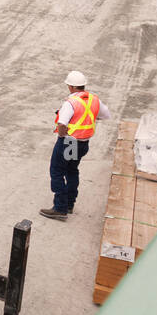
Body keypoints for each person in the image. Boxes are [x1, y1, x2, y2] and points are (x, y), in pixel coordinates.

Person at [42, 70, 111, 221]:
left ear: (72, 87)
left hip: (69, 142)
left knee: (57, 171)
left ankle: (60, 208)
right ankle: (69, 204)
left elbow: (62, 123)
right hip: (83, 143)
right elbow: (106, 115)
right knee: (72, 170)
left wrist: (62, 136)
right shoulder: (94, 100)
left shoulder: (71, 102)